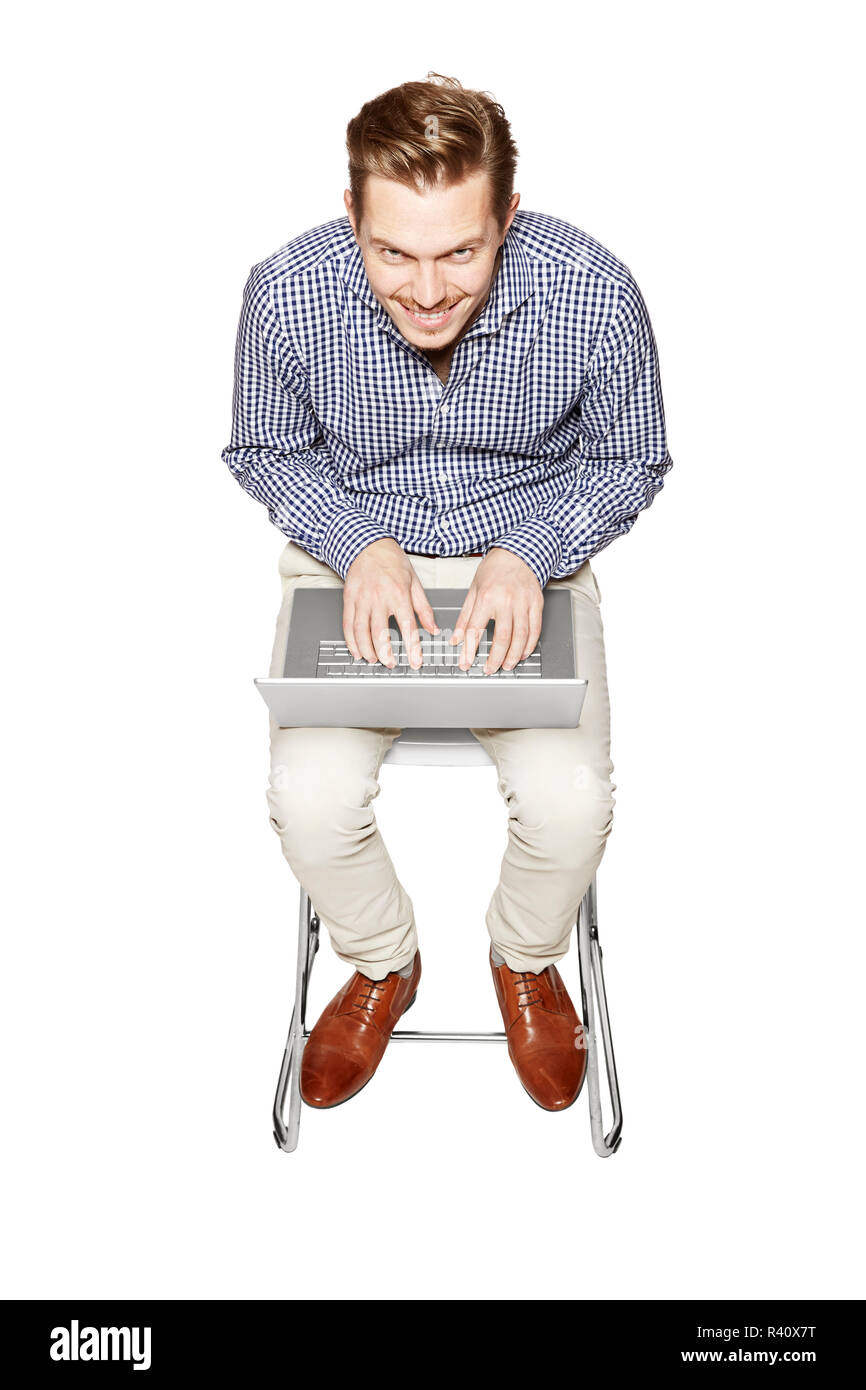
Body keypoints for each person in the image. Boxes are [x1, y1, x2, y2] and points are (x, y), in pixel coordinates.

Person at [222, 73, 673, 1113]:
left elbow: (630, 457)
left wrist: (531, 546)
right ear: (353, 216)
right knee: (307, 801)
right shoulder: (286, 289)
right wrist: (352, 538)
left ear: (505, 216)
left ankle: (524, 958)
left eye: (459, 252)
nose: (425, 291)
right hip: (349, 558)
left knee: (571, 809)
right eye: (392, 252)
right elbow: (264, 448)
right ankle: (381, 961)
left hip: (526, 561)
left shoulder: (591, 287)